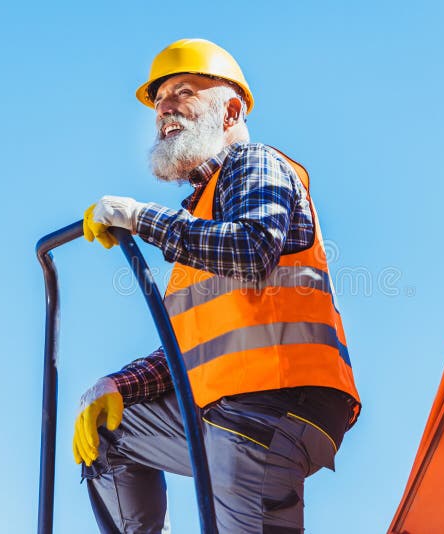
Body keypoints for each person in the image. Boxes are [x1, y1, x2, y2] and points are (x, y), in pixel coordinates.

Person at [73, 38, 361, 534]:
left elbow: (251, 248)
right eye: (159, 100)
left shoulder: (253, 163)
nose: (165, 107)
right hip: (226, 405)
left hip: (274, 401)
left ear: (230, 110)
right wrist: (117, 385)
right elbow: (193, 347)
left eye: (182, 91)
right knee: (110, 431)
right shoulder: (199, 221)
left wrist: (141, 218)